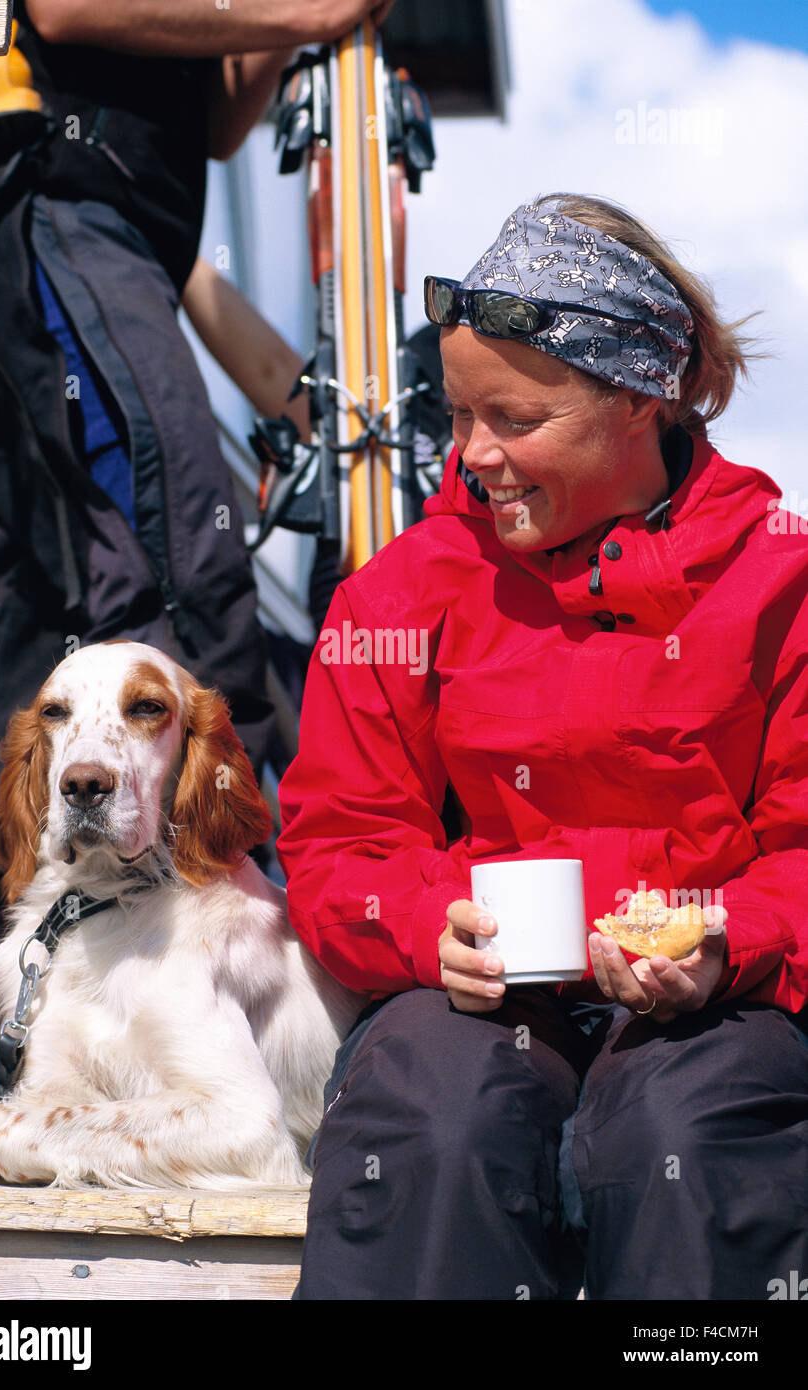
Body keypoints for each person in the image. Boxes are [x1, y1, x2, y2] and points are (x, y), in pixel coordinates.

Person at [276, 192, 808, 1300]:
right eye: (462, 414)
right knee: (433, 1123)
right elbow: (339, 839)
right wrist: (426, 924)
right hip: (472, 996)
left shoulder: (781, 580)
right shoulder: (404, 591)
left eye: (513, 419)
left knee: (689, 1138)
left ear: (638, 397)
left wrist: (727, 939)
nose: (473, 455)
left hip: (722, 1000)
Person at [0, 0, 394, 977]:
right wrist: (318, 12)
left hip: (71, 229)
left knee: (6, 640)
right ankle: (226, 993)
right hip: (49, 198)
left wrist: (292, 19)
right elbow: (57, 12)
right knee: (177, 583)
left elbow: (222, 121)